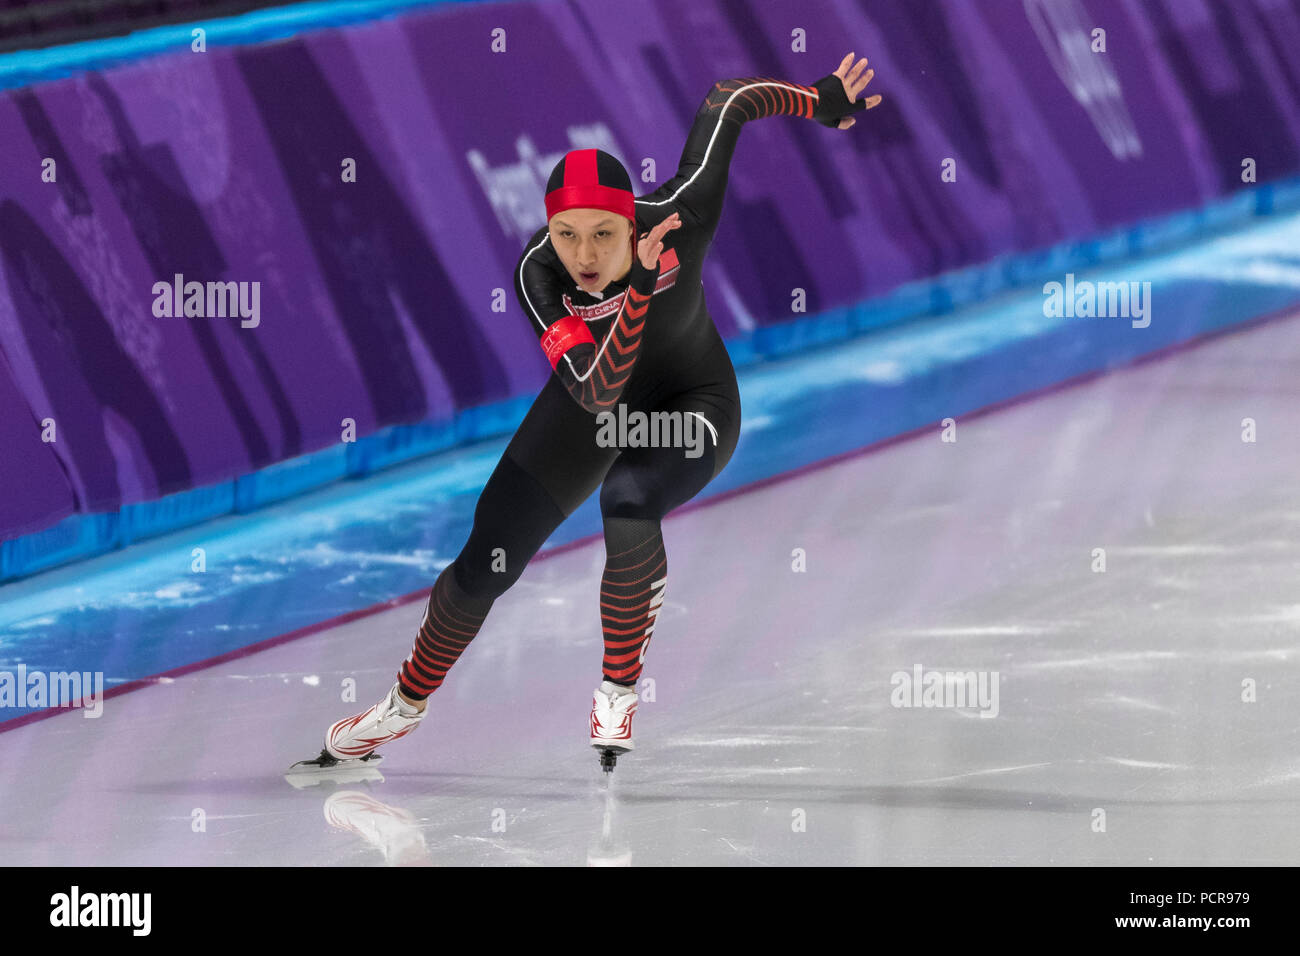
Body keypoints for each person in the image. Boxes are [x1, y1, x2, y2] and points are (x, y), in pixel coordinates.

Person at [307, 52, 881, 773]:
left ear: (630, 218)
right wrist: (636, 290)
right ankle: (402, 707)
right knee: (487, 558)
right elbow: (597, 393)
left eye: (603, 235)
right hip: (597, 399)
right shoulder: (537, 272)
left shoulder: (680, 213)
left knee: (630, 496)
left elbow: (729, 99)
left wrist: (818, 98)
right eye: (567, 234)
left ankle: (617, 689)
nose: (583, 254)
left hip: (692, 404)